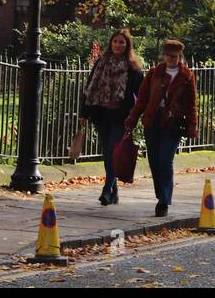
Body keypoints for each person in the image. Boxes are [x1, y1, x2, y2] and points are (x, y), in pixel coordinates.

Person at [124, 39, 198, 217]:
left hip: (172, 123)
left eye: (174, 56)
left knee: (165, 160)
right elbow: (142, 99)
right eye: (168, 56)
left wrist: (192, 125)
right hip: (152, 120)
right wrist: (132, 119)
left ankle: (164, 200)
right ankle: (160, 195)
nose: (170, 59)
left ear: (179, 56)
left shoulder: (186, 76)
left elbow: (191, 103)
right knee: (155, 161)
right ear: (163, 55)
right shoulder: (154, 74)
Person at [78, 29, 144, 206]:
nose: (118, 45)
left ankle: (107, 190)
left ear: (127, 45)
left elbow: (141, 95)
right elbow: (90, 88)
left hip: (121, 116)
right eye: (115, 41)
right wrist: (84, 113)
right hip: (101, 113)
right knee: (106, 152)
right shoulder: (101, 62)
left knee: (111, 152)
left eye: (122, 42)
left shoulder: (133, 68)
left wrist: (135, 116)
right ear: (111, 43)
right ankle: (114, 191)